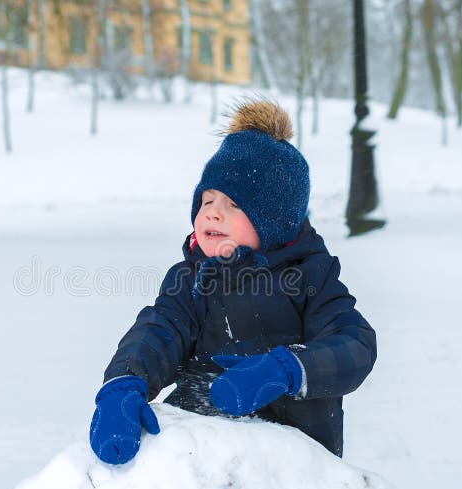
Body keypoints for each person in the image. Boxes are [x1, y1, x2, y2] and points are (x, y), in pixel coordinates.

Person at [89, 100, 377, 464]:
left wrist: (286, 369)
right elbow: (158, 330)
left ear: (274, 220)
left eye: (233, 204)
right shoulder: (191, 278)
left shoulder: (309, 277)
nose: (211, 211)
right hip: (206, 455)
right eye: (207, 199)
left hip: (293, 468)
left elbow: (356, 345)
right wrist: (124, 384)